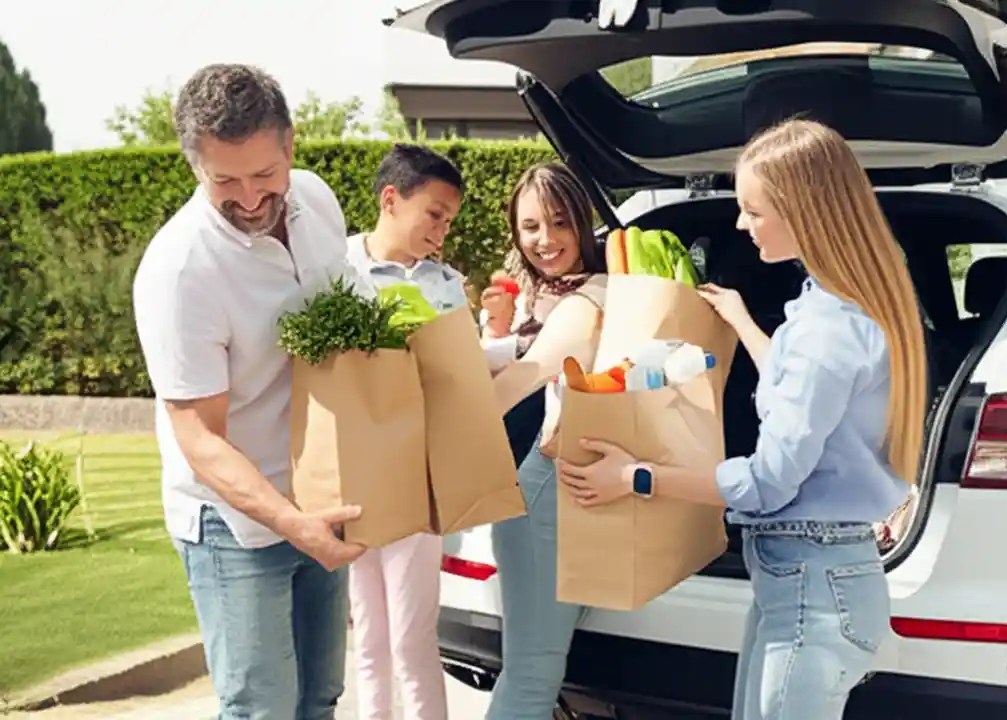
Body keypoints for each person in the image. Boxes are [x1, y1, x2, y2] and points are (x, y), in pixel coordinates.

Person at [557, 118, 929, 720]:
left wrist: (637, 477)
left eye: (752, 211)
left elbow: (766, 483)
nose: (739, 224)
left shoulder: (824, 330)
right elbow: (799, 391)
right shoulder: (833, 309)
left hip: (812, 587)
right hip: (814, 579)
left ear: (802, 212)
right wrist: (742, 324)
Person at [131, 63, 364, 720]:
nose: (250, 197)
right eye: (223, 180)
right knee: (262, 709)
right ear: (193, 167)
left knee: (319, 698)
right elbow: (199, 437)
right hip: (231, 521)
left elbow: (348, 309)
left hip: (314, 488)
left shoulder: (316, 200)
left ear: (291, 145)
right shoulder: (180, 271)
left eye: (264, 174)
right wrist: (296, 527)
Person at [478, 162, 608, 720]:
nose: (545, 240)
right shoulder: (543, 294)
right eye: (530, 226)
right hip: (546, 488)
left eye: (559, 223)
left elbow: (526, 378)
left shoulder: (590, 297)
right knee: (536, 673)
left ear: (583, 221)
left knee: (532, 673)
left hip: (546, 490)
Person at [344, 144, 467, 720]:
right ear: (391, 199)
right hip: (351, 477)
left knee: (412, 637)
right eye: (435, 214)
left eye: (449, 220)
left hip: (419, 477)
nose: (442, 230)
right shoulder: (335, 268)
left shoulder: (446, 285)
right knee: (367, 633)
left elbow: (459, 374)